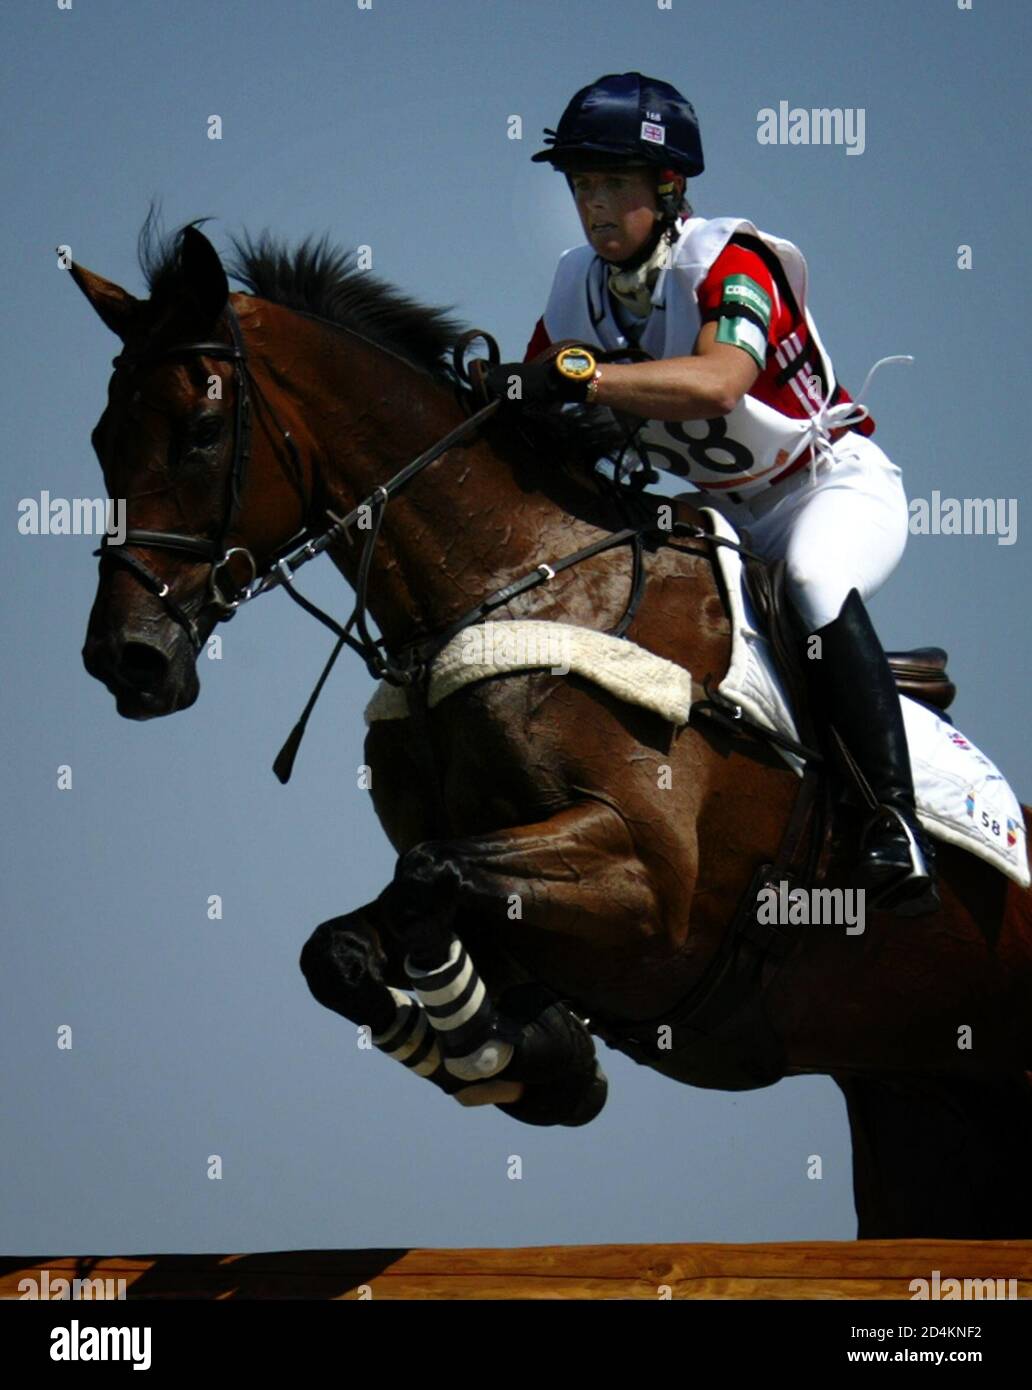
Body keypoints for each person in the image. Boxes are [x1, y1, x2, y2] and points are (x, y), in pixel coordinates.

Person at [484, 71, 939, 916]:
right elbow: (541, 400)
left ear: (668, 186)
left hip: (826, 489)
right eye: (582, 184)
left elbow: (720, 382)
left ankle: (894, 825)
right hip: (725, 515)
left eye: (613, 183)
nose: (593, 205)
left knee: (810, 580)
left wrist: (582, 378)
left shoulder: (732, 261)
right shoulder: (576, 287)